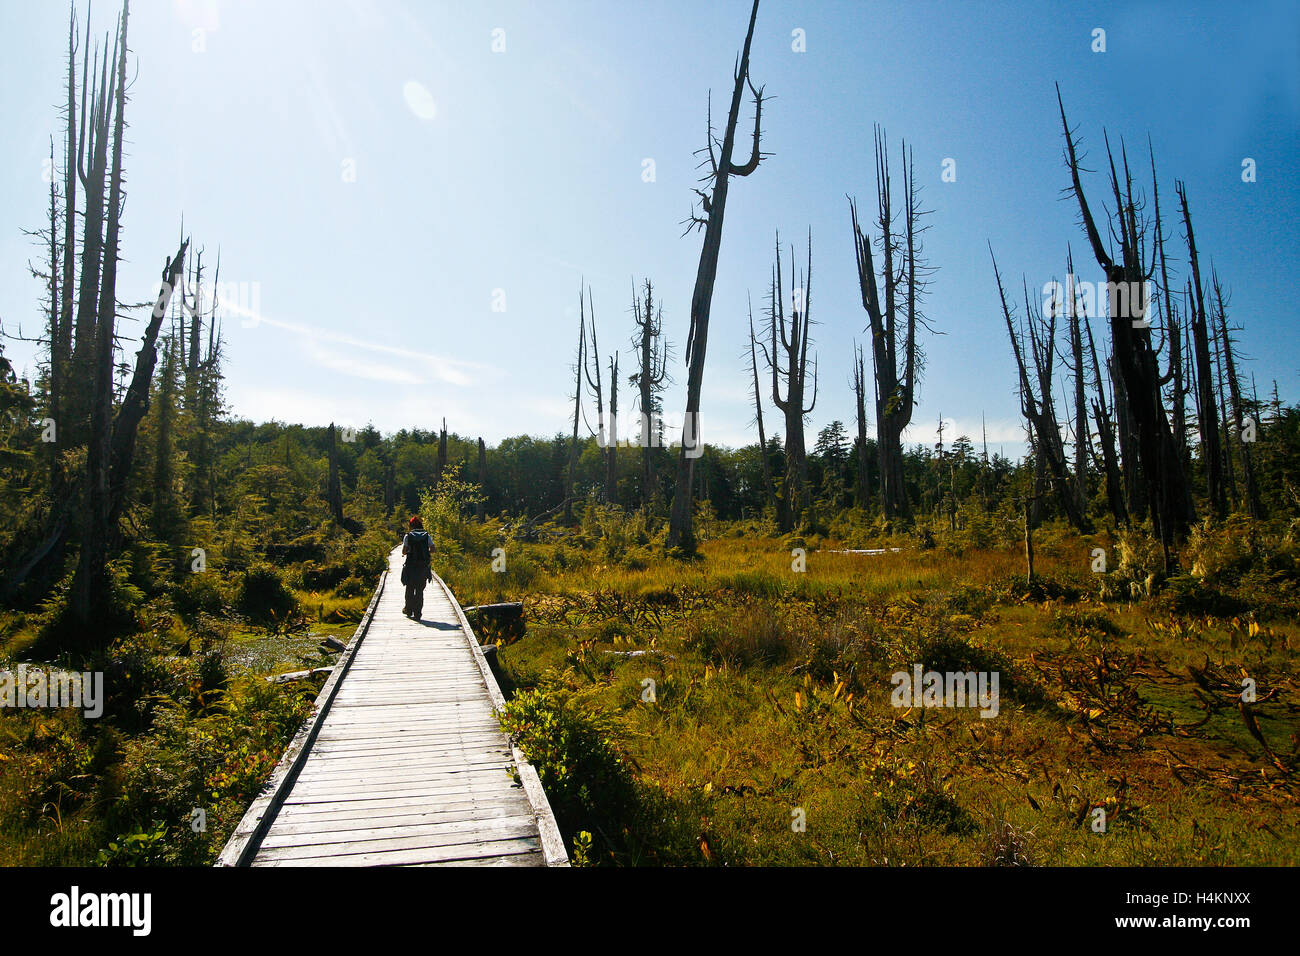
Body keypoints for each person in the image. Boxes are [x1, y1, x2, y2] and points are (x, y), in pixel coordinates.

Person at [401, 515, 434, 619]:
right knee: (420, 590)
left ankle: (408, 609)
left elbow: (404, 551)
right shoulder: (426, 535)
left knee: (409, 588)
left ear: (411, 526)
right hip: (423, 567)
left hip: (411, 566)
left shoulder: (408, 536)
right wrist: (425, 553)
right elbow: (433, 549)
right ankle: (418, 613)